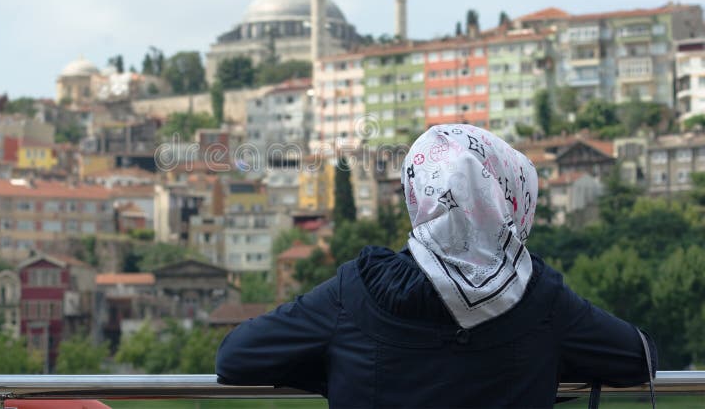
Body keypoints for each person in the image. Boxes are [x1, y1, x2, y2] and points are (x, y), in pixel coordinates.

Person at [216, 124, 657, 408]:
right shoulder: (540, 299)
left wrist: (341, 367)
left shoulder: (355, 294)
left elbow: (236, 359)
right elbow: (639, 358)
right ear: (507, 195)